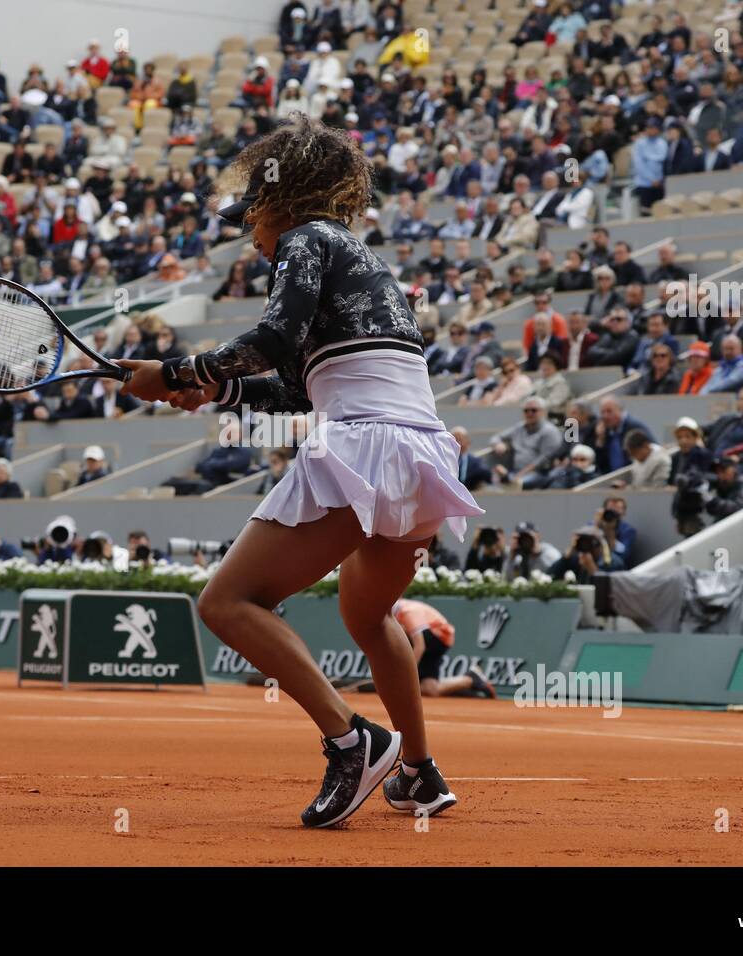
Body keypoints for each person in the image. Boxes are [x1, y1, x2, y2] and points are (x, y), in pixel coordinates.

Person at [116, 117, 480, 826]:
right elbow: (295, 384)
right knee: (368, 616)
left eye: (250, 217)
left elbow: (275, 339)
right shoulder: (360, 259)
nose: (250, 236)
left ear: (278, 202)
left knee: (227, 602)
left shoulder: (304, 240)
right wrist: (210, 388)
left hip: (367, 448)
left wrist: (177, 369)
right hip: (422, 460)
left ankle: (352, 741)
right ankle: (418, 772)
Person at [391, 599, 495, 699]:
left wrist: (405, 674)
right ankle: (470, 680)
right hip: (434, 638)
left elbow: (420, 646)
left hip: (437, 638)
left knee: (399, 637)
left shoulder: (407, 612)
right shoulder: (396, 610)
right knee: (430, 690)